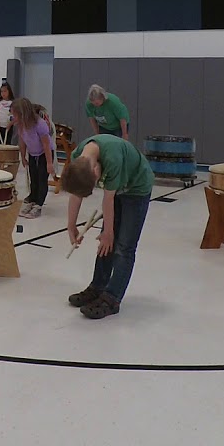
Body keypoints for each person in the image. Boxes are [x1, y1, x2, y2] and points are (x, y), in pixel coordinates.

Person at [60, 134, 154, 320]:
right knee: (106, 244)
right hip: (118, 190)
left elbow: (108, 198)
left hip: (136, 189)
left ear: (96, 171)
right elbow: (76, 194)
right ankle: (98, 287)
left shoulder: (112, 158)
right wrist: (71, 226)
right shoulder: (78, 158)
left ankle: (112, 298)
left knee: (123, 246)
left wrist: (108, 233)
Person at [12, 98, 54, 218]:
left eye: (15, 114)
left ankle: (39, 205)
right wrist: (23, 156)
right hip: (32, 154)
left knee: (41, 179)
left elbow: (46, 144)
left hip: (44, 154)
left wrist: (49, 163)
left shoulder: (40, 124)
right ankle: (32, 200)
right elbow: (22, 141)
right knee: (33, 178)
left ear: (22, 114)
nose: (13, 117)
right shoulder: (21, 125)